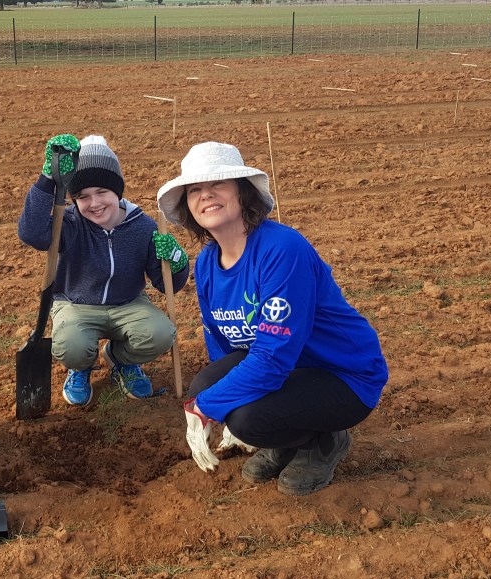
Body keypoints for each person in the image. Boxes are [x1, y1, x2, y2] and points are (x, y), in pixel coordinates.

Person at [156, 142, 388, 496]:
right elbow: (223, 344)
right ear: (188, 205)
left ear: (242, 192)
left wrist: (210, 408)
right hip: (289, 366)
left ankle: (322, 442)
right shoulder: (206, 263)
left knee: (247, 417)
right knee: (207, 385)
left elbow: (273, 358)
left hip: (342, 374)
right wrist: (216, 395)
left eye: (218, 184)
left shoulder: (282, 249)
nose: (207, 195)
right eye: (195, 190)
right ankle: (286, 436)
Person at [18, 134, 190, 406]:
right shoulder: (69, 222)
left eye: (102, 192)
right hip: (76, 304)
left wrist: (177, 261)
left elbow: (167, 284)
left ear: (117, 191)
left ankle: (120, 360)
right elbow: (31, 233)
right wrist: (48, 179)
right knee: (71, 347)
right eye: (83, 196)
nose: (95, 203)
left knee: (160, 334)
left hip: (128, 303)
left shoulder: (143, 226)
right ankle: (81, 367)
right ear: (74, 199)